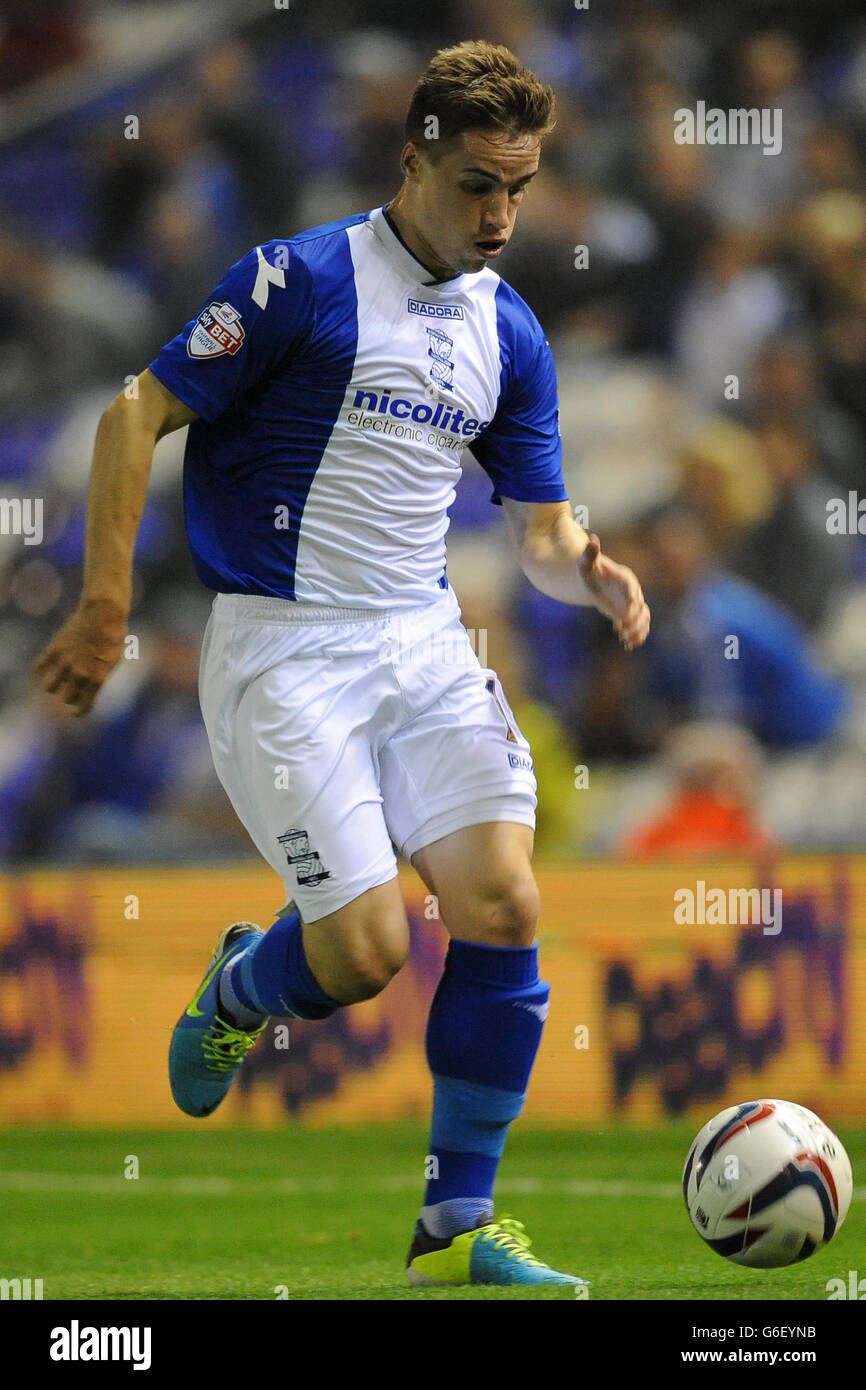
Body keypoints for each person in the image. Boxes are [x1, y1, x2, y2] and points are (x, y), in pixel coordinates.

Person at [34, 40, 650, 1289]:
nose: (499, 214)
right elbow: (129, 414)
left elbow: (531, 532)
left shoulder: (508, 329)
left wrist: (585, 566)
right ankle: (239, 989)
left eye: (519, 188)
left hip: (419, 641)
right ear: (412, 155)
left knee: (504, 904)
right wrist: (105, 604)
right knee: (366, 953)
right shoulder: (298, 280)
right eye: (477, 183)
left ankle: (453, 1233)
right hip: (284, 650)